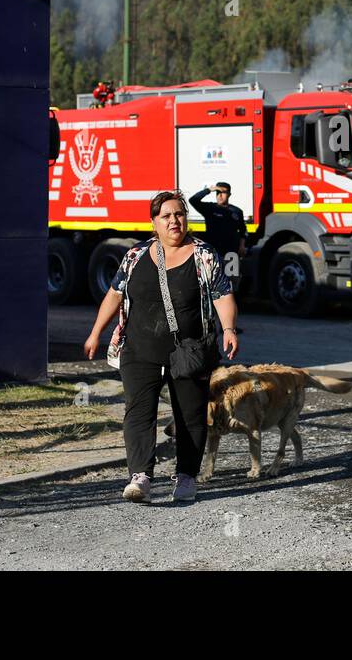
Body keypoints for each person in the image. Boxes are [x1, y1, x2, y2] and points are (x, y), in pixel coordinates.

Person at [83, 189, 239, 503]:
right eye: (166, 216)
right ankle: (140, 477)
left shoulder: (204, 255)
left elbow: (223, 294)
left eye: (179, 214)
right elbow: (115, 293)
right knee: (139, 412)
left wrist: (229, 328)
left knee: (190, 415)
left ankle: (186, 478)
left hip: (189, 349)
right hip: (139, 347)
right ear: (154, 222)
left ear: (186, 219)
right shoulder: (135, 255)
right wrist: (96, 331)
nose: (174, 221)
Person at [190, 182, 247, 294]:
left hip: (231, 253)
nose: (220, 195)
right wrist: (209, 190)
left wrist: (242, 245)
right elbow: (193, 200)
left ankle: (231, 307)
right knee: (212, 281)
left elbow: (243, 230)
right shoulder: (210, 208)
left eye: (223, 193)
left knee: (232, 283)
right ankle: (213, 308)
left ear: (229, 194)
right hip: (213, 253)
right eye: (218, 193)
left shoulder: (236, 211)